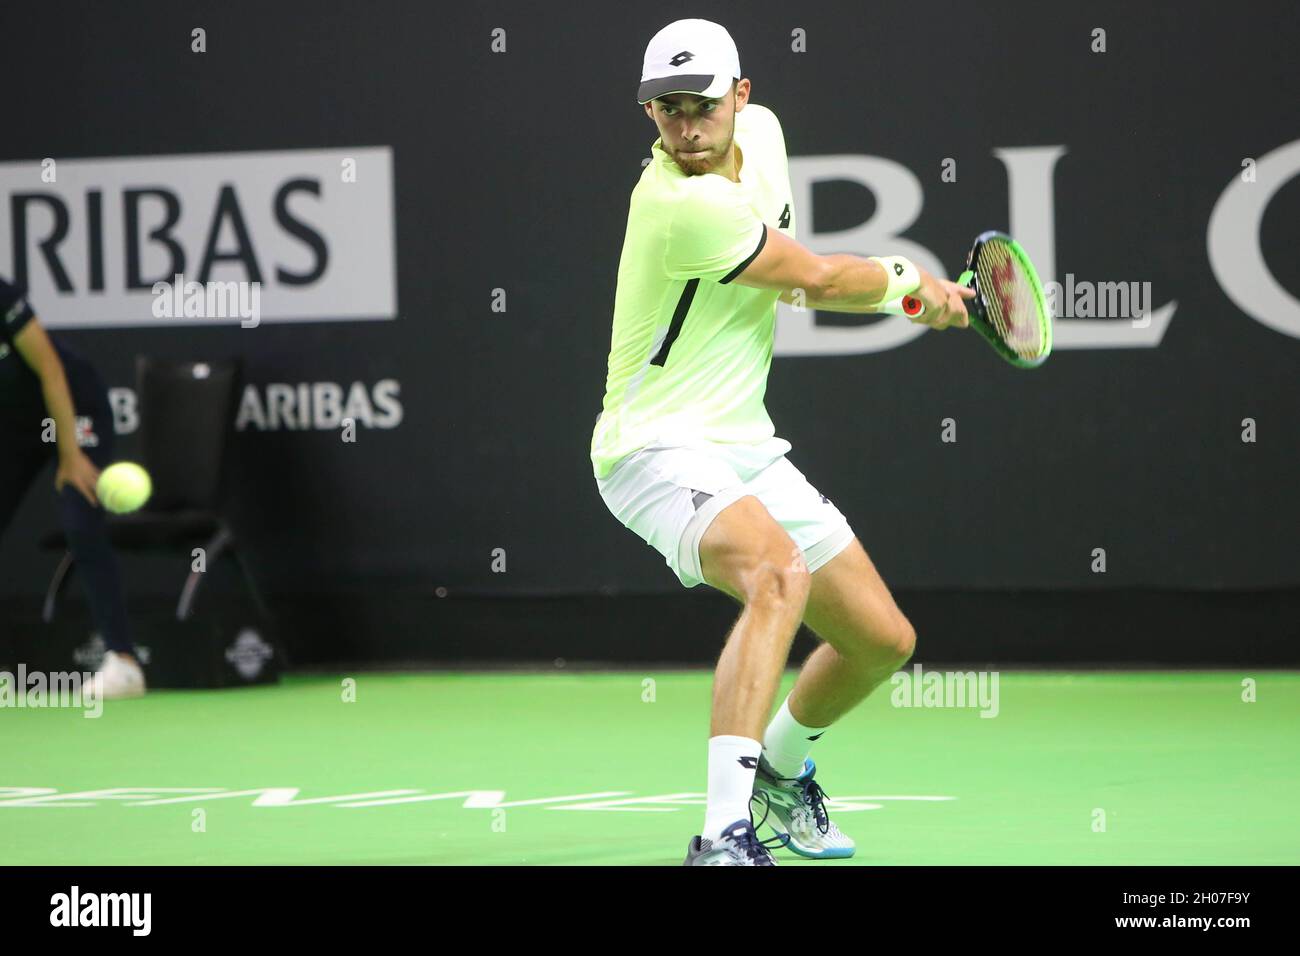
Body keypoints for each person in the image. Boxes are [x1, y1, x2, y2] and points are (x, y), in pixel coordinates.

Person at [591, 19, 974, 865]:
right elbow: (816, 278)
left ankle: (785, 767)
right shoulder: (676, 205)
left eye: (701, 106)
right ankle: (723, 834)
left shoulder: (762, 139)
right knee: (776, 574)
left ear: (741, 96)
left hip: (744, 442)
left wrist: (902, 297)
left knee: (882, 641)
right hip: (651, 447)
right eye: (665, 111)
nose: (685, 129)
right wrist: (916, 289)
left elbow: (794, 281)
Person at [0, 276, 145, 699]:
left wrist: (70, 453)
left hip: (72, 407)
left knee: (79, 516)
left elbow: (50, 368)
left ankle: (124, 661)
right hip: (15, 423)